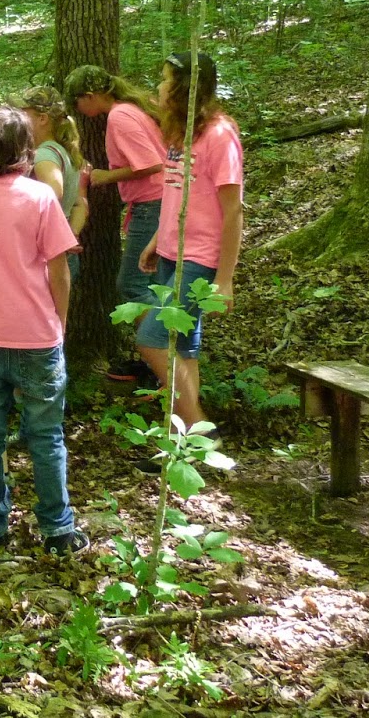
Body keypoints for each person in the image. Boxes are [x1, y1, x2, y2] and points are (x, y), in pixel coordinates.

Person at [0, 106, 86, 556]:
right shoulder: (38, 197)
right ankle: (57, 531)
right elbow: (60, 270)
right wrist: (60, 324)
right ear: (25, 151)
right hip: (36, 335)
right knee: (45, 436)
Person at [133, 52, 244, 452]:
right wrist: (155, 241)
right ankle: (185, 445)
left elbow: (233, 212)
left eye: (164, 79)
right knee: (183, 350)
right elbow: (178, 193)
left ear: (183, 87)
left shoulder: (219, 135)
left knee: (151, 339)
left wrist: (224, 280)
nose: (158, 86)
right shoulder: (181, 134)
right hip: (170, 254)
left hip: (199, 260)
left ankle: (201, 432)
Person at [64, 65, 165, 384]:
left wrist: (108, 176)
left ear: (90, 97)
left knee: (132, 285)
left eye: (77, 104)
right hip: (155, 203)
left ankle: (162, 360)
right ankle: (158, 362)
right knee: (149, 284)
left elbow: (151, 163)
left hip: (152, 205)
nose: (78, 112)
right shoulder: (132, 109)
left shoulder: (120, 116)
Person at [19, 85, 89, 282]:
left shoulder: (44, 154)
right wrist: (71, 233)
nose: (20, 119)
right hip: (62, 248)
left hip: (47, 253)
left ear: (42, 119)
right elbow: (79, 204)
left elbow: (53, 192)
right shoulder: (65, 151)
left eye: (25, 114)